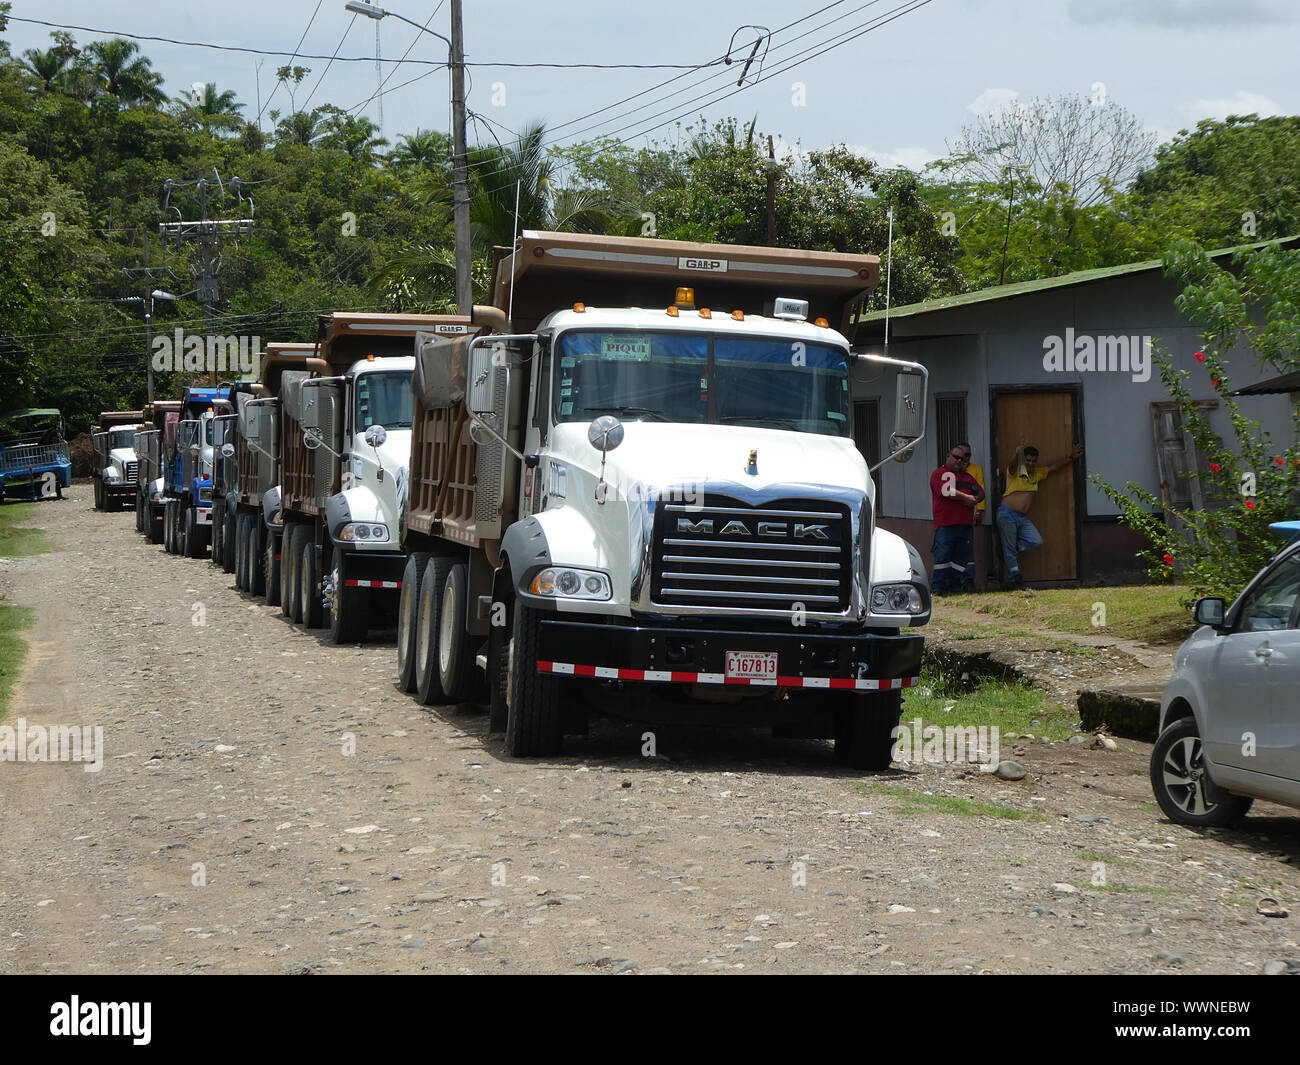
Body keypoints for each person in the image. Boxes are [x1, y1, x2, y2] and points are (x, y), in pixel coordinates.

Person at [997, 442, 1084, 589]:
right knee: (1010, 550)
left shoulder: (1037, 474)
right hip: (1007, 513)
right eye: (1028, 460)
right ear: (1023, 461)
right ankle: (1015, 578)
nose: (1030, 463)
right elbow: (1010, 465)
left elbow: (1053, 468)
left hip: (1021, 517)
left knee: (1036, 541)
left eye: (1033, 461)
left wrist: (1071, 458)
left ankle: (1009, 550)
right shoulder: (1015, 471)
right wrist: (1017, 454)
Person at [929, 442, 984, 596]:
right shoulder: (940, 473)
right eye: (956, 457)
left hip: (965, 525)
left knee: (961, 560)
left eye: (963, 459)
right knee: (943, 558)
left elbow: (981, 493)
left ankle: (955, 589)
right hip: (946, 525)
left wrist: (975, 498)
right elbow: (946, 491)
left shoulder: (968, 477)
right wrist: (966, 497)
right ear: (948, 456)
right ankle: (938, 590)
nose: (959, 461)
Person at [964, 453, 986, 593]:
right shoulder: (946, 471)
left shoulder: (976, 470)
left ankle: (969, 582)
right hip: (950, 518)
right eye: (960, 456)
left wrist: (979, 511)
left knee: (968, 549)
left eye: (968, 455)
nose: (964, 459)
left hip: (968, 516)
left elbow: (981, 490)